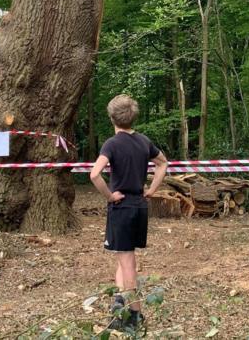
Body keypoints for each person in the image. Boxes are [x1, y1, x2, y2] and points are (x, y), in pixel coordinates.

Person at [89, 94, 168, 332]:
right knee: (124, 255)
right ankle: (119, 302)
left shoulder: (111, 144)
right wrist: (152, 189)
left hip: (121, 208)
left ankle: (134, 315)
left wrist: (110, 195)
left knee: (128, 261)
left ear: (112, 118)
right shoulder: (144, 141)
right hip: (140, 208)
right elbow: (163, 163)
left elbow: (94, 174)